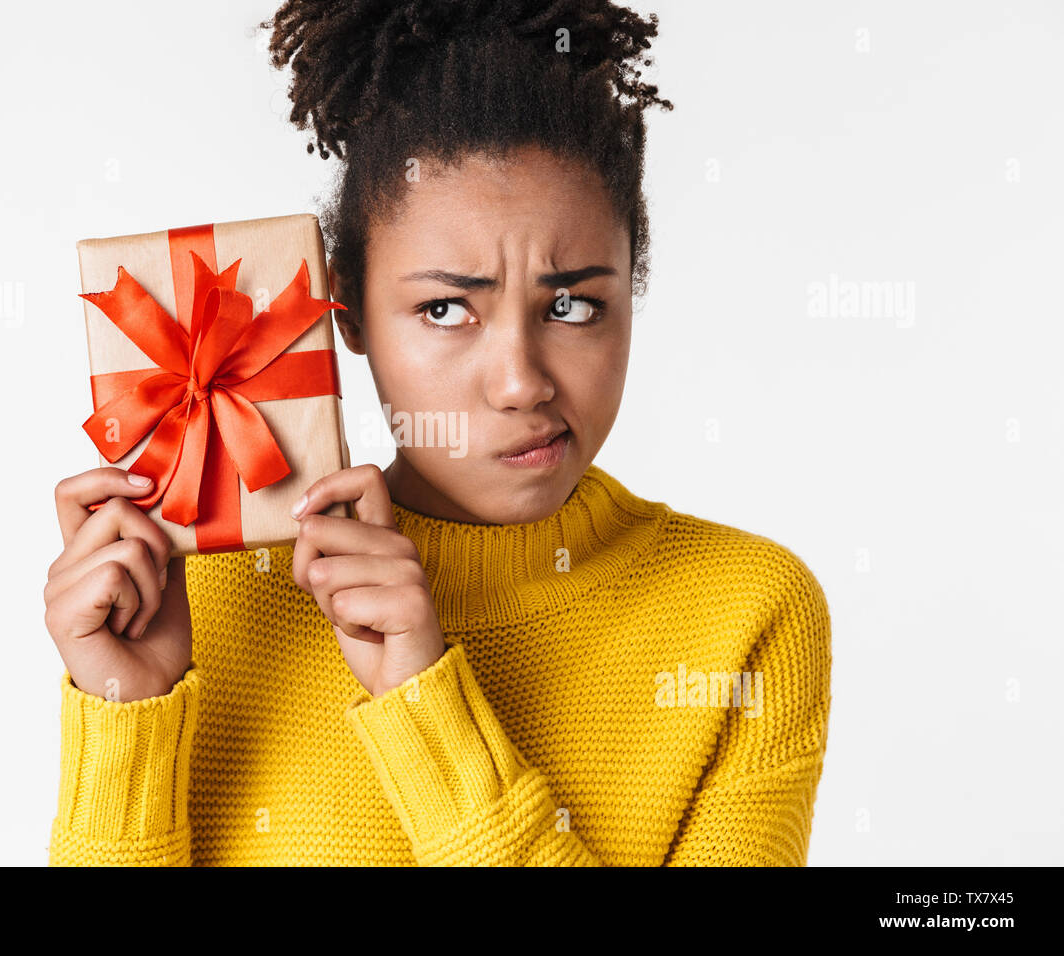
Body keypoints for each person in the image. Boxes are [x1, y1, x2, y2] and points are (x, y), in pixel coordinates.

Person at [43, 0, 832, 866]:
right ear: (345, 313)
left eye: (572, 304)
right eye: (447, 308)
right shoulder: (206, 602)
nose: (522, 381)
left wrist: (426, 701)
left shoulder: (746, 615)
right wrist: (129, 718)